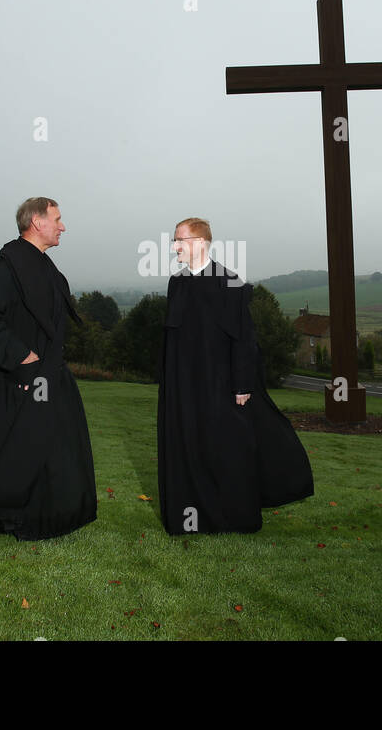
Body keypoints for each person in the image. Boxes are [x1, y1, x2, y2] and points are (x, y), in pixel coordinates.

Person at [156, 217, 313, 535]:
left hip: (221, 385)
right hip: (183, 387)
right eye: (174, 241)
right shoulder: (177, 283)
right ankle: (192, 521)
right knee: (189, 447)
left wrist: (242, 384)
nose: (174, 248)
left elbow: (244, 340)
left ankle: (234, 519)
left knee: (227, 450)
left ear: (200, 243)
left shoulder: (230, 283)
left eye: (180, 241)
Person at [0, 197, 96, 541]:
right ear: (37, 222)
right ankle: (22, 520)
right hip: (19, 378)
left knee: (60, 446)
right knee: (26, 450)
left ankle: (55, 516)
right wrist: (25, 363)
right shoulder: (8, 263)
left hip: (49, 375)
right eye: (57, 219)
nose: (63, 226)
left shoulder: (45, 266)